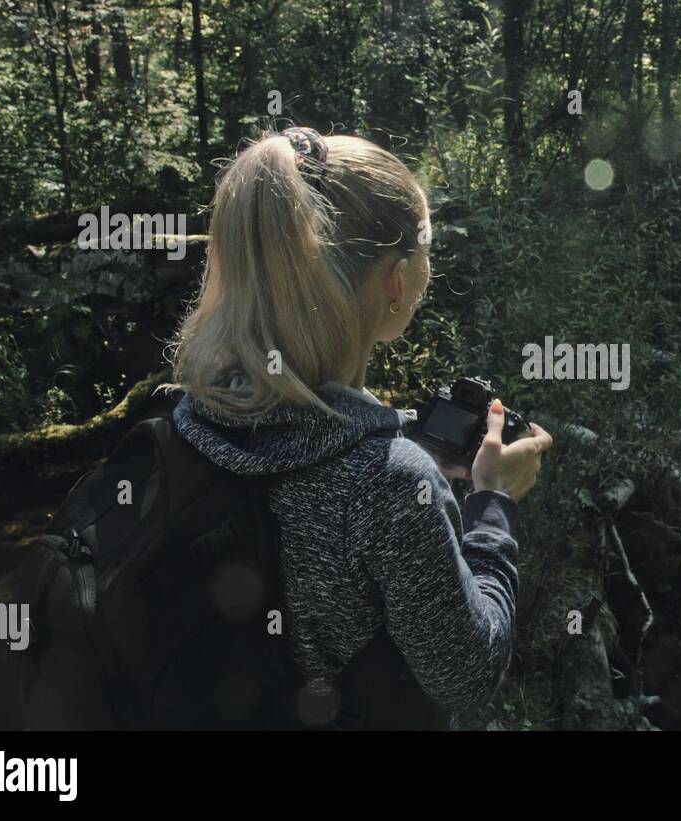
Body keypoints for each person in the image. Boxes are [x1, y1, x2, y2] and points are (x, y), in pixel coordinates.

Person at [164, 126, 552, 728]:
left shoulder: (192, 414)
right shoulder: (392, 487)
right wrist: (493, 505)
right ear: (395, 282)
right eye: (426, 252)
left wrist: (405, 453)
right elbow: (469, 676)